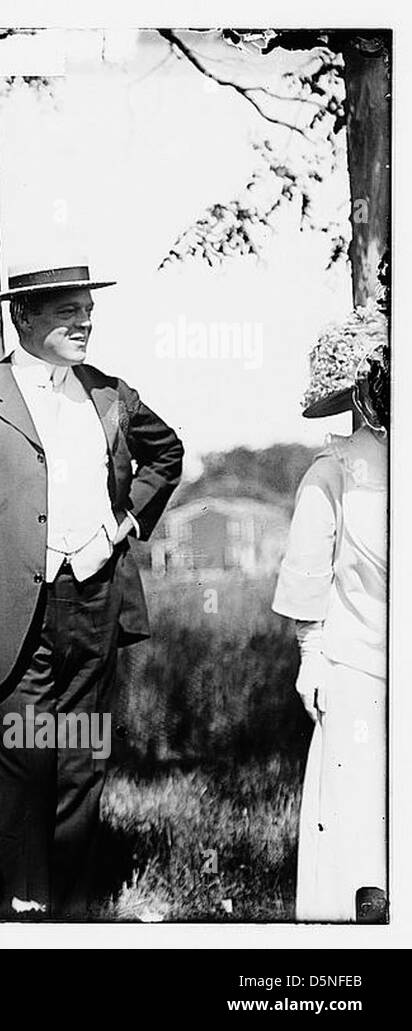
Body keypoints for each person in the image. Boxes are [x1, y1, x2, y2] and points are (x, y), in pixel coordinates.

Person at [0, 254, 183, 919]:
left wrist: (123, 525)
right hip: (11, 608)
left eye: (88, 310)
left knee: (82, 758)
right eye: (68, 310)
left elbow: (168, 453)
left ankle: (69, 914)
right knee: (23, 760)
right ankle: (17, 903)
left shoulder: (110, 392)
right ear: (22, 316)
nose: (85, 321)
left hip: (97, 601)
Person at [272, 303, 388, 923]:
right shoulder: (334, 472)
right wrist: (312, 656)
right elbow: (308, 577)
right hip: (357, 671)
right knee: (360, 827)